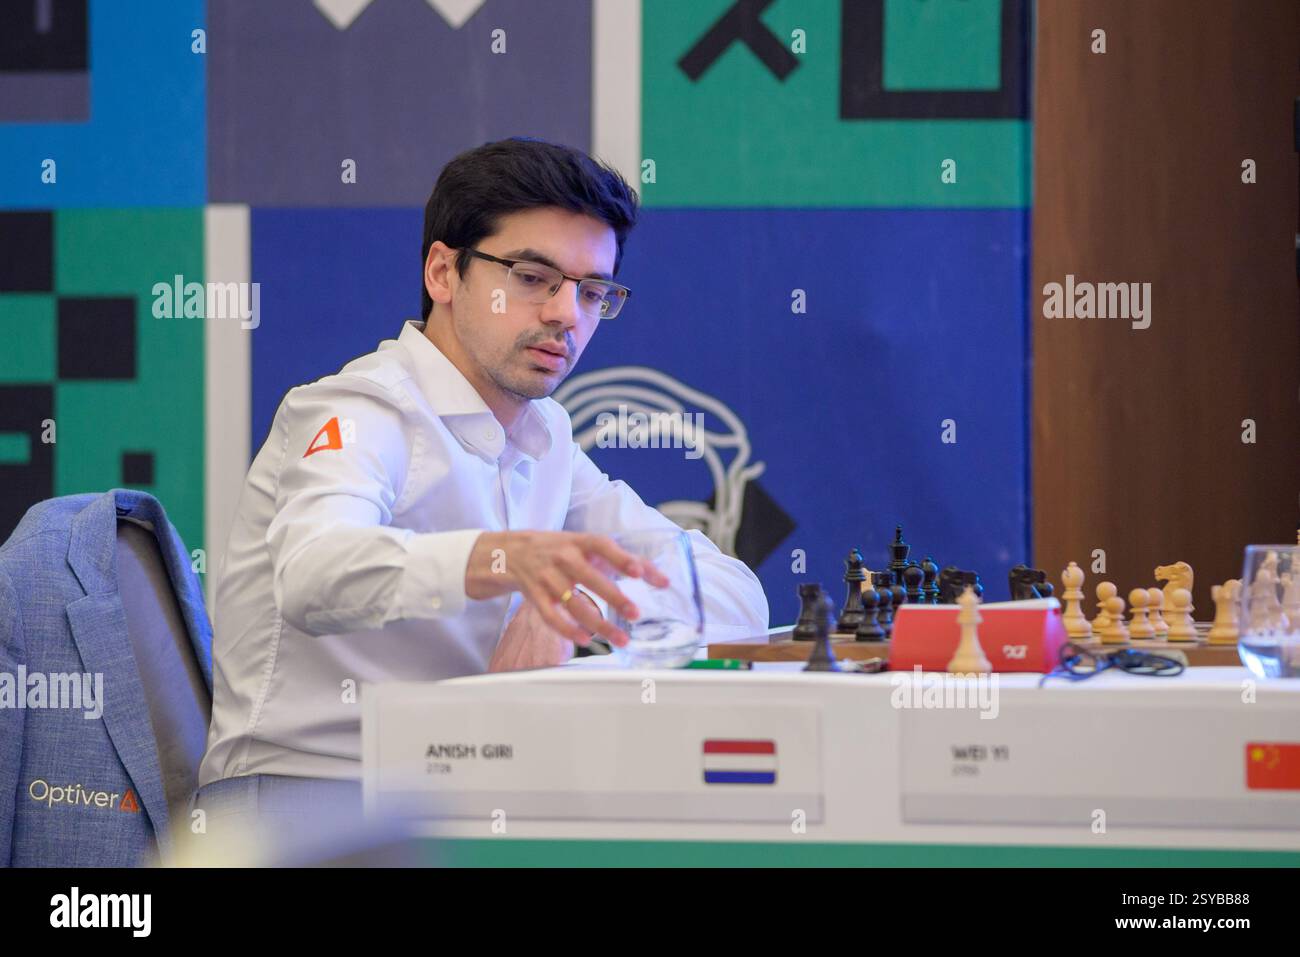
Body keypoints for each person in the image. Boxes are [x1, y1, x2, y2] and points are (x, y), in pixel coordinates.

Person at [193, 138, 768, 835]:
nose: (567, 314)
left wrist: (573, 601)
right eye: (533, 276)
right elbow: (312, 573)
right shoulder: (359, 408)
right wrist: (502, 560)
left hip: (465, 797)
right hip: (304, 802)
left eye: (593, 291)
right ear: (443, 271)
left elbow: (733, 593)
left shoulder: (547, 435)